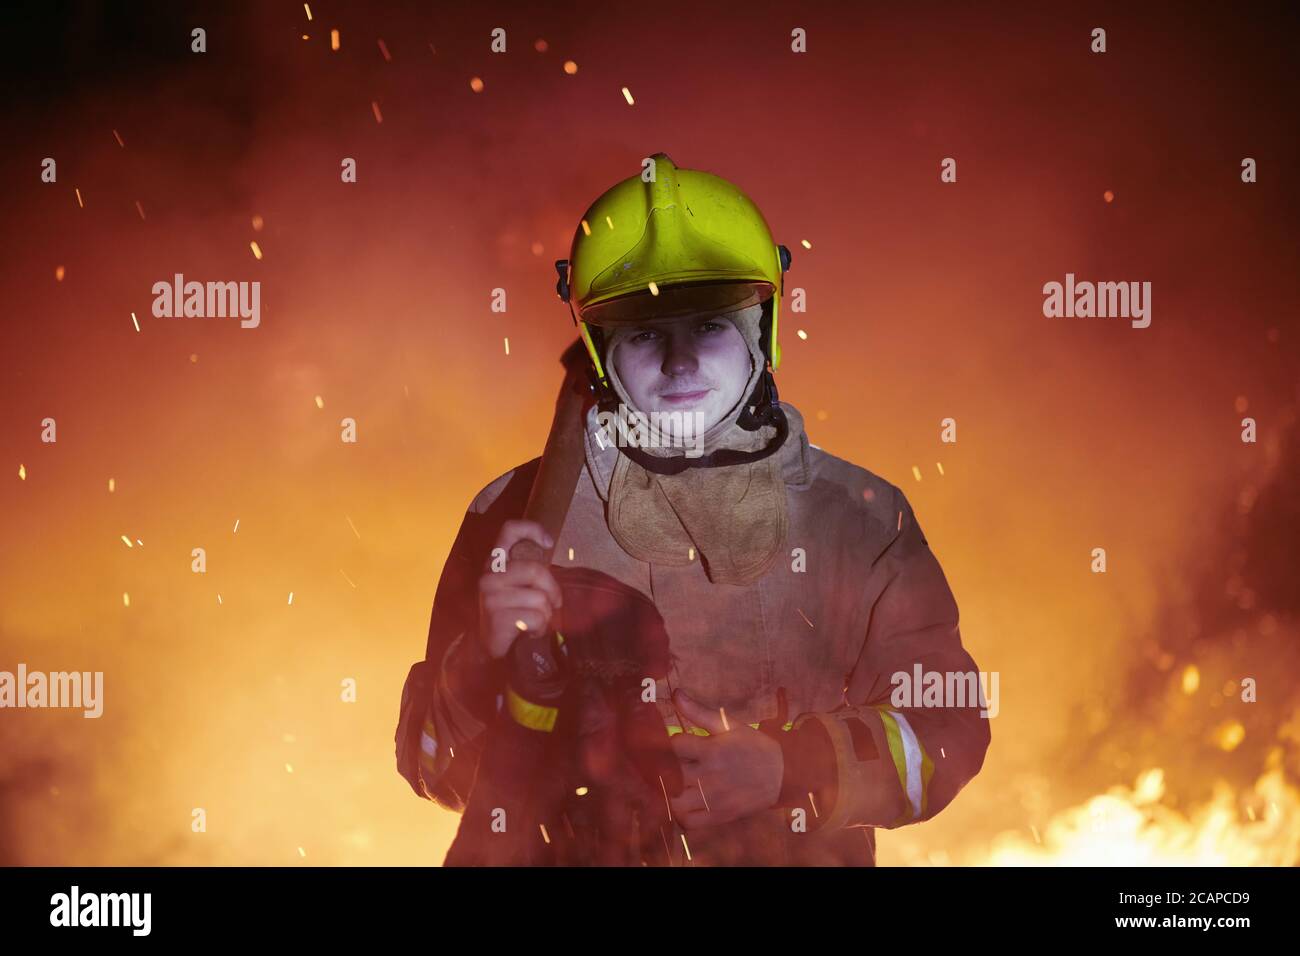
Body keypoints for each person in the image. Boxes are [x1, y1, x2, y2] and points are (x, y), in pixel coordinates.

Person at [395, 153, 991, 865]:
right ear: (598, 347)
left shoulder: (857, 521)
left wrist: (791, 768)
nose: (681, 366)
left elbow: (949, 731)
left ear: (760, 328)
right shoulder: (517, 520)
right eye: (646, 334)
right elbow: (431, 768)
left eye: (708, 328)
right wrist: (481, 665)